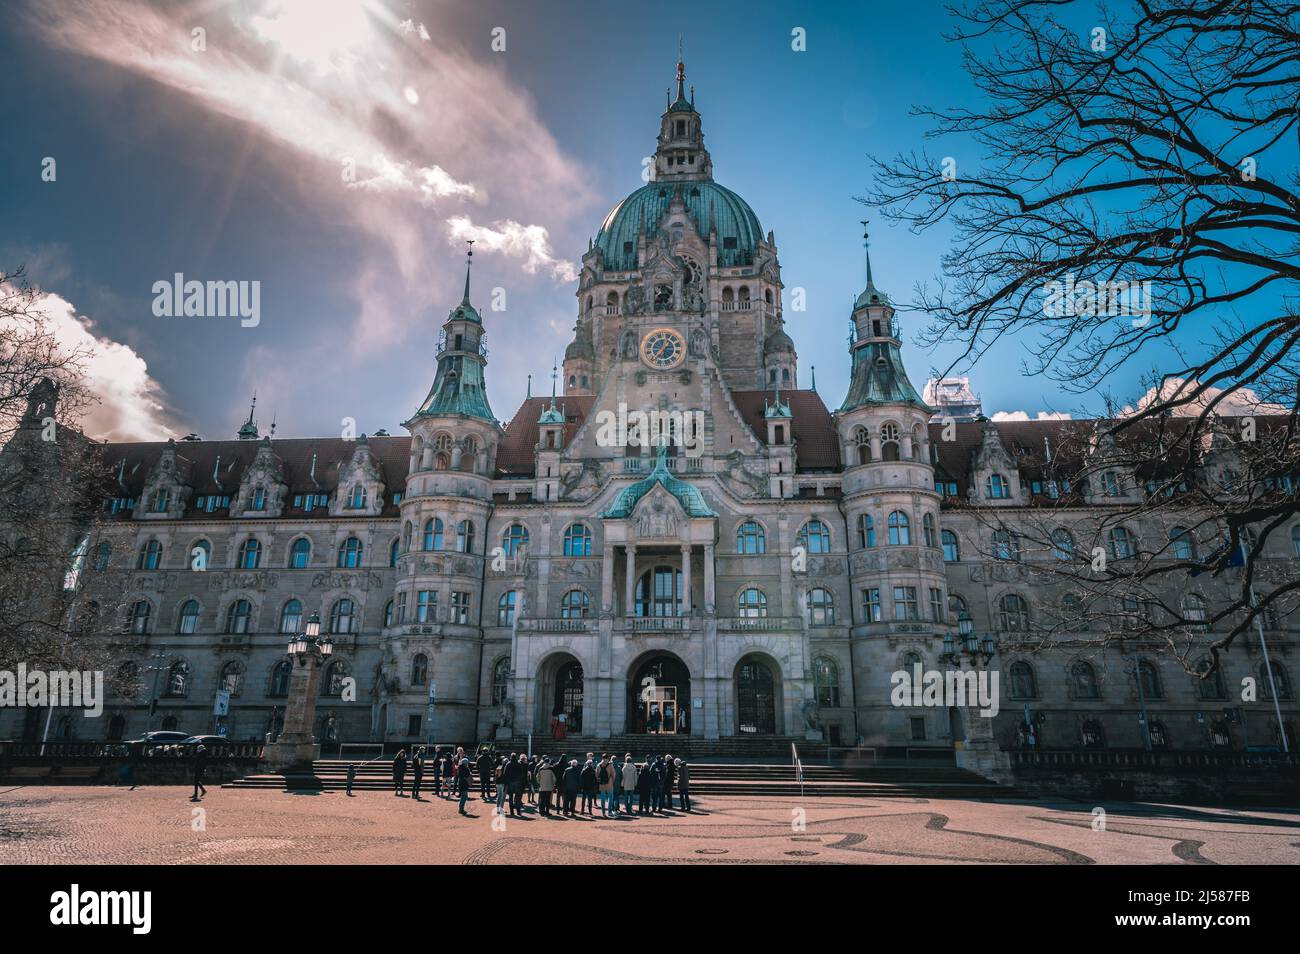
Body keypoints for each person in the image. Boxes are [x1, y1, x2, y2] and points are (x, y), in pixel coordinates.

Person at [456, 749, 472, 815]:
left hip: (460, 783)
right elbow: (468, 777)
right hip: (464, 784)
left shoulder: (459, 768)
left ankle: (460, 808)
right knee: (464, 797)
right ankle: (461, 809)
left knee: (462, 797)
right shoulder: (466, 769)